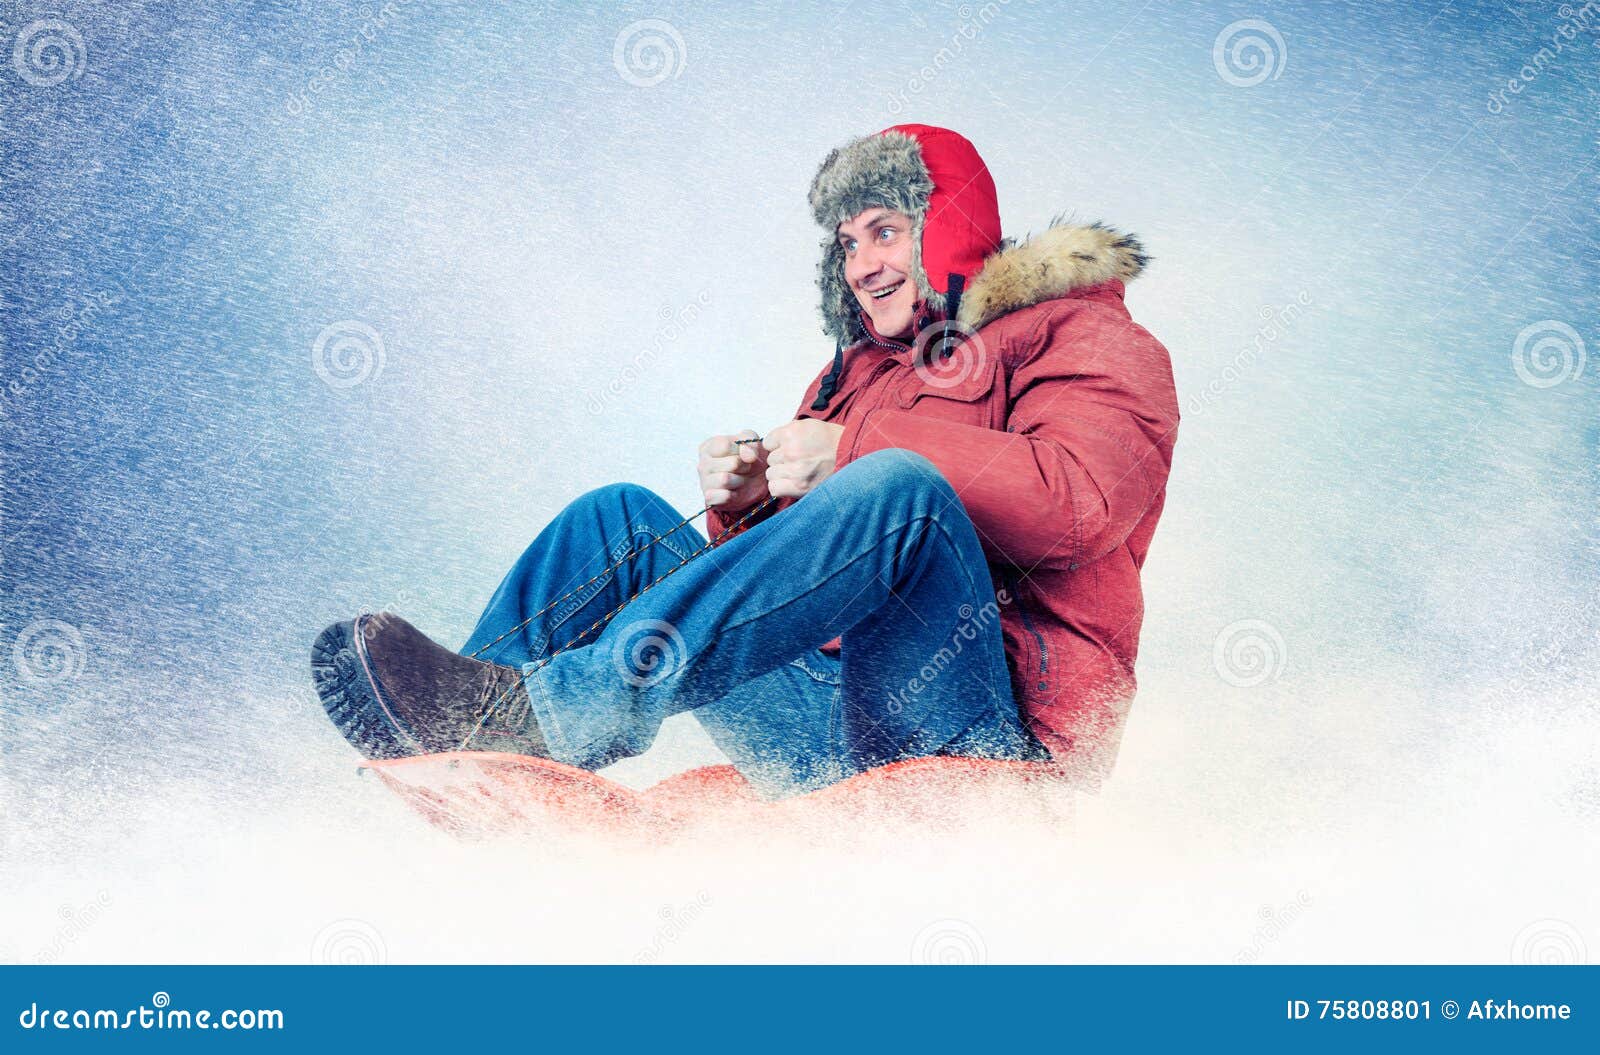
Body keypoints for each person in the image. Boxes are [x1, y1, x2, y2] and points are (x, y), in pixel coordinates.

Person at [311, 123, 1178, 799]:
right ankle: (460, 736)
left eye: (885, 231)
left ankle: (547, 717)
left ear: (946, 228)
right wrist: (748, 505)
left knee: (899, 490)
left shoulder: (1084, 333)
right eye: (847, 242)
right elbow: (812, 575)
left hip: (987, 742)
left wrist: (856, 452)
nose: (864, 264)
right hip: (827, 721)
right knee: (619, 520)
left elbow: (1080, 502)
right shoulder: (858, 374)